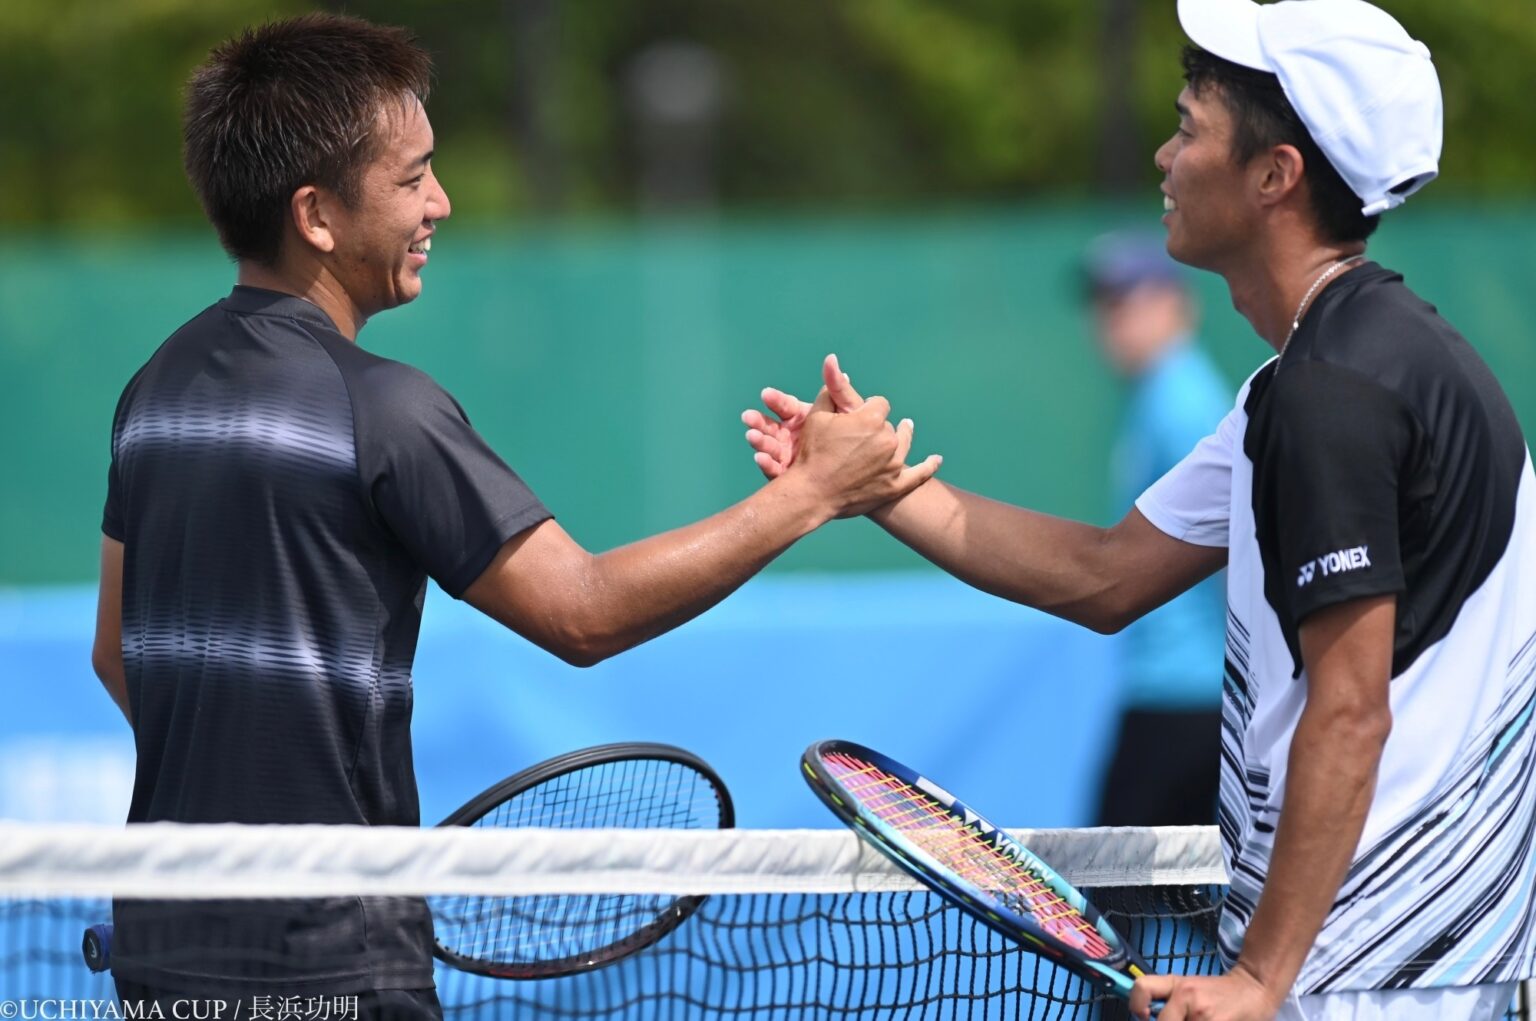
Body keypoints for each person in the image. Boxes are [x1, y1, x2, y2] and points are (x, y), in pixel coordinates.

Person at [89, 14, 939, 1014]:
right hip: (332, 962)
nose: (439, 203)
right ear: (316, 215)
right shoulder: (384, 408)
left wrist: (253, 797)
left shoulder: (151, 393)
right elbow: (582, 611)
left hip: (162, 946)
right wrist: (812, 494)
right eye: (412, 178)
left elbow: (116, 653)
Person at [743, 0, 1536, 1018]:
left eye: (1189, 128)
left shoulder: (1335, 392)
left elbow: (1351, 706)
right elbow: (1105, 574)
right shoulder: (1312, 379)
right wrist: (866, 484)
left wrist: (1262, 977)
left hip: (1375, 971)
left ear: (1274, 175)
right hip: (1398, 962)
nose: (1165, 156)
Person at [1082, 232, 1228, 829]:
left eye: (1128, 301)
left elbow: (1238, 546)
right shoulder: (1161, 396)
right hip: (1180, 693)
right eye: (1104, 304)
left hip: (1185, 696)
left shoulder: (1182, 401)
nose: (1111, 320)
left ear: (1177, 304)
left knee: (1105, 879)